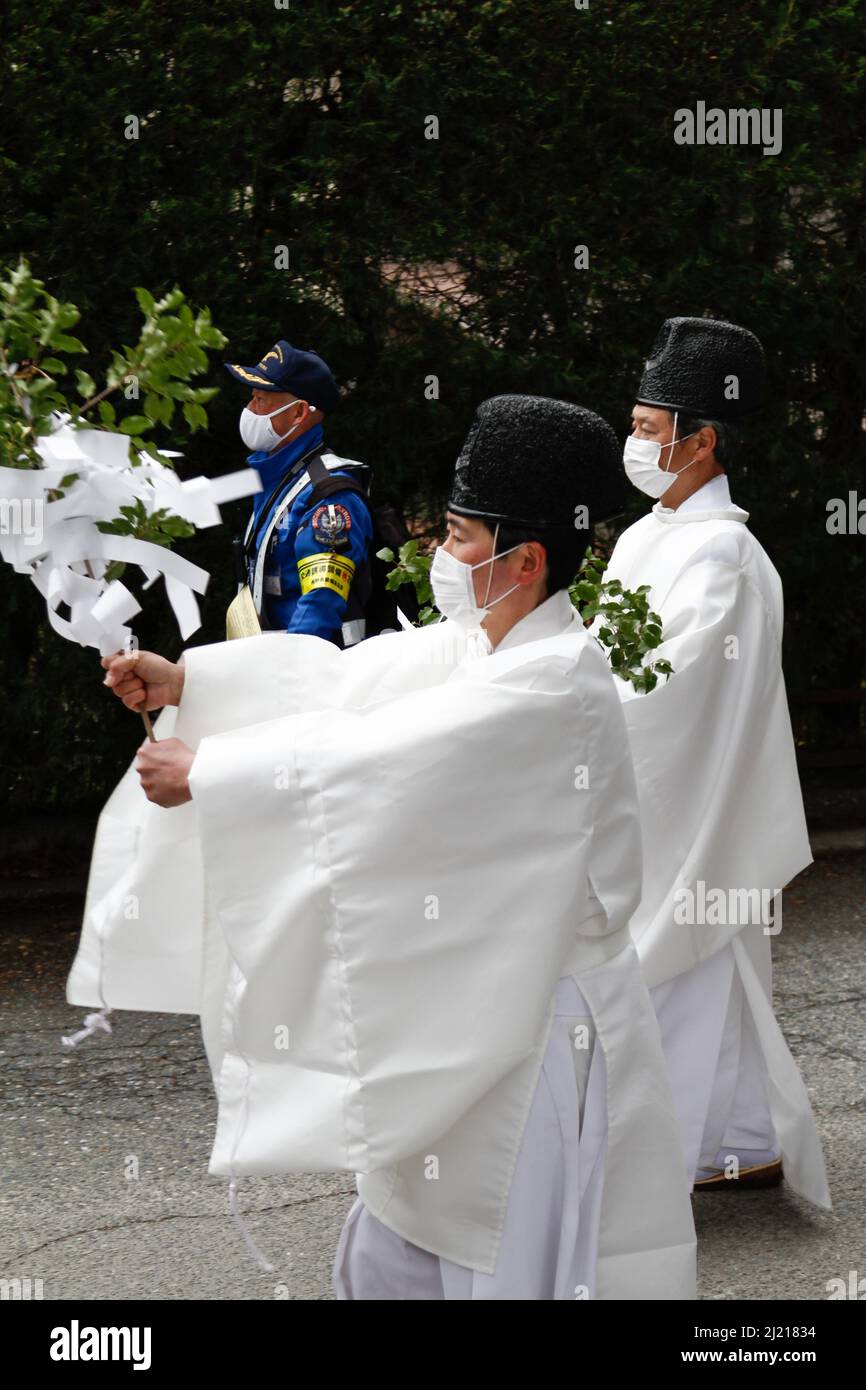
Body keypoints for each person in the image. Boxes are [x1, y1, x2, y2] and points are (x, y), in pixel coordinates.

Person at [79, 395, 696, 1300]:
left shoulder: (550, 683)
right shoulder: (481, 648)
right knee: (402, 1246)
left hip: (532, 1036)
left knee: (504, 1259)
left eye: (457, 537)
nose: (441, 556)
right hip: (469, 1010)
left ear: (525, 559)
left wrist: (213, 773)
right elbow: (336, 688)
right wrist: (191, 680)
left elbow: (381, 761)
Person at [597, 316, 830, 1206]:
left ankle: (688, 1152)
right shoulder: (644, 537)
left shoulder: (725, 554)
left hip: (692, 804)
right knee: (701, 977)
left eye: (650, 429)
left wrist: (576, 720)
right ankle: (736, 1140)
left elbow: (678, 694)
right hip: (663, 799)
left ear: (703, 441)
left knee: (686, 972)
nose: (635, 443)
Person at [225, 338, 373, 646]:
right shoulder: (280, 480)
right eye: (251, 398)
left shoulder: (328, 494)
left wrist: (289, 672)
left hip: (311, 671)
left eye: (261, 400)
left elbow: (320, 601)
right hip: (269, 660)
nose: (250, 410)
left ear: (298, 413)